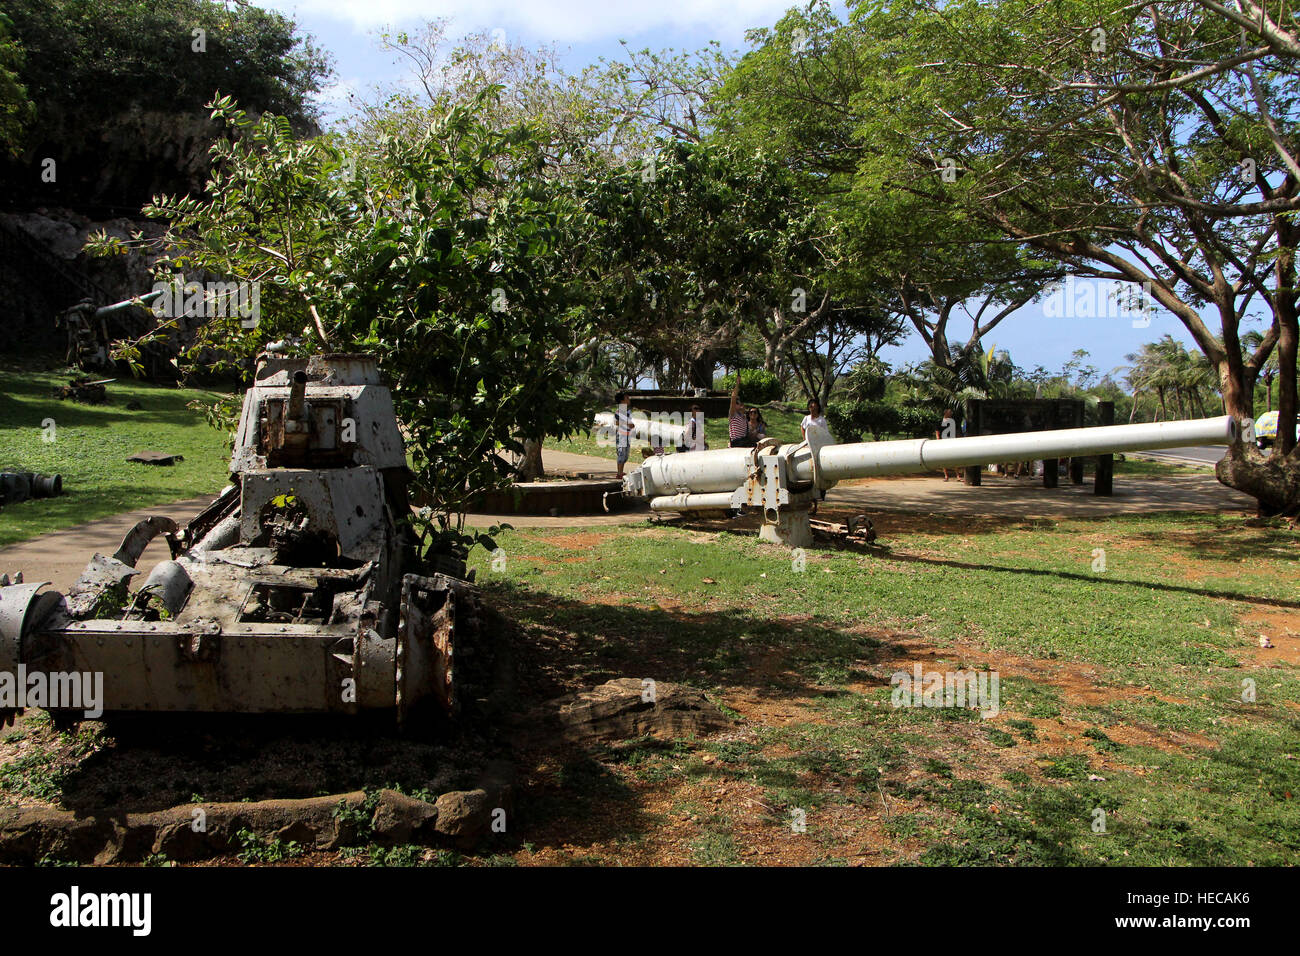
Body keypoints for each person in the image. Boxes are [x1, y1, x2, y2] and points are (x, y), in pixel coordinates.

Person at [728, 381, 755, 448]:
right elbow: (733, 398)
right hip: (737, 442)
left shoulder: (744, 418)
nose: (738, 404)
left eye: (739, 403)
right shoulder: (733, 414)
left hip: (744, 441)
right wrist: (737, 383)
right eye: (736, 403)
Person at [614, 391, 635, 478]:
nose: (629, 399)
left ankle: (621, 472)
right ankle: (619, 473)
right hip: (622, 435)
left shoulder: (628, 411)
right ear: (622, 401)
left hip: (627, 435)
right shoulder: (619, 411)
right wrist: (628, 423)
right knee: (622, 454)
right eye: (627, 398)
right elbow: (616, 422)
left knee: (626, 455)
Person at [936, 408, 956, 481]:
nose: (951, 414)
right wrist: (938, 440)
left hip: (950, 441)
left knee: (954, 458)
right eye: (950, 413)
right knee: (943, 459)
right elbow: (937, 432)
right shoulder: (940, 422)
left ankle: (958, 476)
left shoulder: (952, 422)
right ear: (946, 414)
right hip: (943, 441)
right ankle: (946, 476)